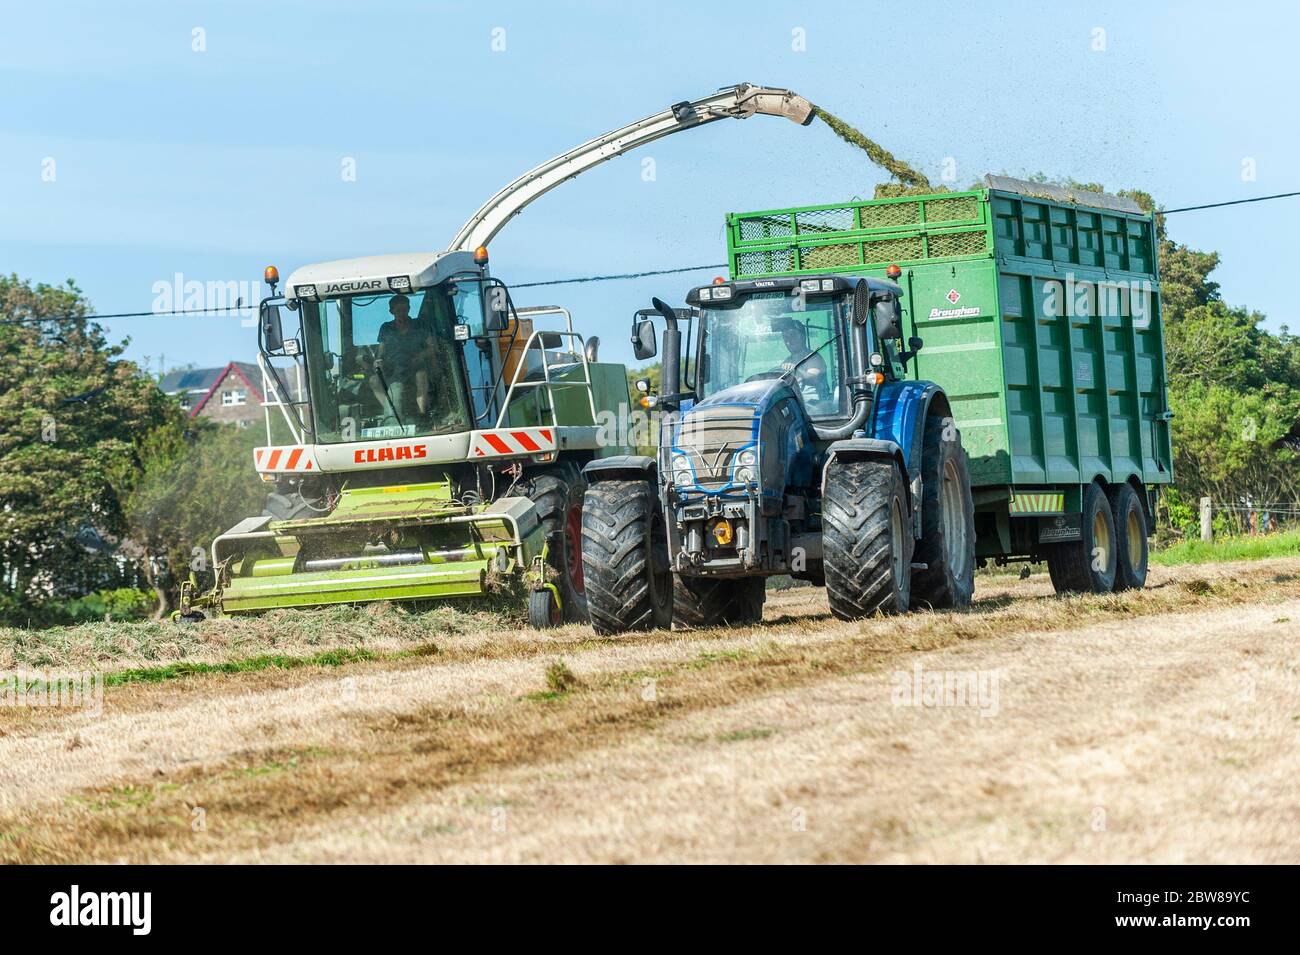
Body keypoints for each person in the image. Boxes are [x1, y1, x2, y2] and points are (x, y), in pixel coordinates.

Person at [369, 294, 435, 421]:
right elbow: (381, 352)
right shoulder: (386, 328)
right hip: (393, 369)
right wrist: (378, 362)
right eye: (398, 311)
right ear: (391, 311)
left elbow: (432, 348)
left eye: (404, 309)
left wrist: (420, 356)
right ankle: (392, 413)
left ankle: (422, 414)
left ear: (409, 308)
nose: (402, 313)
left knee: (421, 375)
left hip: (415, 366)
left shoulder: (419, 325)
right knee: (374, 380)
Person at [773, 317, 829, 397]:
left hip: (816, 405)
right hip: (796, 404)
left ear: (803, 336)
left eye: (793, 335)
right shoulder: (787, 361)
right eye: (785, 337)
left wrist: (796, 371)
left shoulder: (813, 358)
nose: (789, 340)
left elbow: (814, 378)